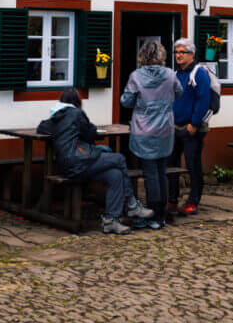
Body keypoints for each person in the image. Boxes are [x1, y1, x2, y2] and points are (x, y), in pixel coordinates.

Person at [36, 89, 153, 234]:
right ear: (77, 102)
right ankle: (132, 205)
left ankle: (111, 221)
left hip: (67, 167)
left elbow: (41, 127)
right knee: (119, 159)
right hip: (79, 162)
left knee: (115, 175)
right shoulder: (76, 113)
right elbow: (91, 133)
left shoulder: (56, 117)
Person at [120, 39, 182, 230]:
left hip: (144, 130)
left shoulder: (136, 76)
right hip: (165, 129)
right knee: (161, 170)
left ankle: (153, 215)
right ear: (161, 54)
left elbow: (126, 101)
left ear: (142, 56)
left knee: (150, 174)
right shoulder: (171, 75)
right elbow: (179, 92)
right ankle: (160, 215)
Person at [168, 38, 211, 216]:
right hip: (174, 128)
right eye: (176, 52)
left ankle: (193, 201)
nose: (178, 55)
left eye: (182, 52)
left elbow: (203, 99)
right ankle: (171, 200)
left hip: (191, 128)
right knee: (171, 164)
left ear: (191, 55)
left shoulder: (199, 73)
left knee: (193, 165)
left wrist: (194, 123)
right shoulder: (175, 74)